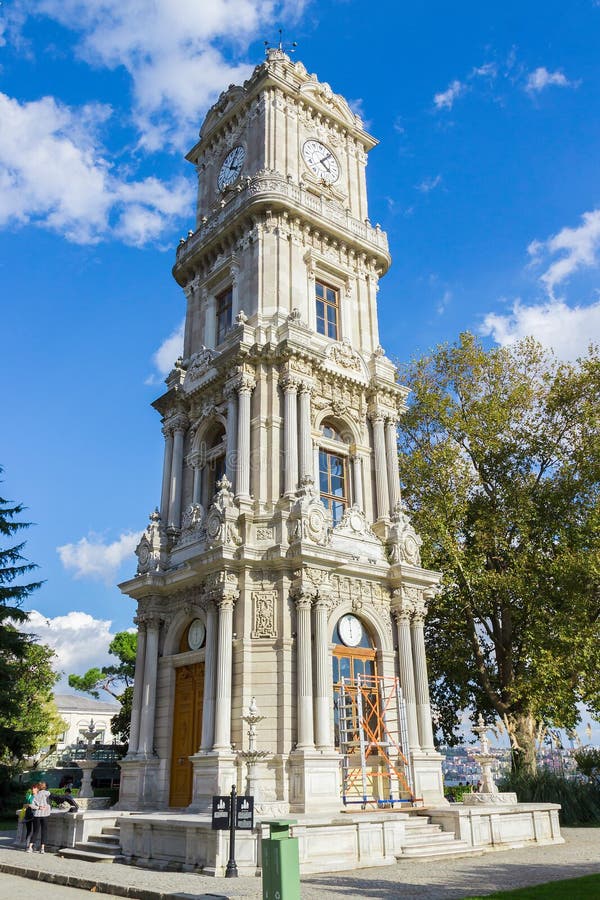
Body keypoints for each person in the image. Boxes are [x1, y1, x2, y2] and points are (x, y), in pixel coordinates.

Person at [29, 780, 51, 853]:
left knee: (35, 831)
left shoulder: (34, 795)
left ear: (38, 787)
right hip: (45, 814)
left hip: (37, 815)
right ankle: (42, 849)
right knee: (44, 831)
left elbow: (31, 805)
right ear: (45, 787)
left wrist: (38, 807)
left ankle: (30, 847)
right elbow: (52, 799)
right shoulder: (47, 793)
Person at [22, 783, 37, 849]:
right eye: (32, 788)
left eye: (34, 788)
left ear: (37, 789)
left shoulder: (39, 796)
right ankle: (27, 845)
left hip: (36, 815)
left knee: (35, 831)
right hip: (28, 815)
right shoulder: (29, 796)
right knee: (29, 830)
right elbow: (24, 805)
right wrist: (28, 805)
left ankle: (33, 845)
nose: (33, 789)